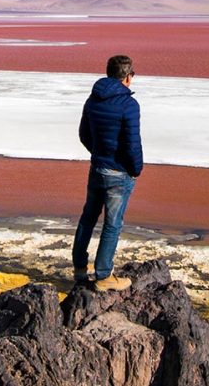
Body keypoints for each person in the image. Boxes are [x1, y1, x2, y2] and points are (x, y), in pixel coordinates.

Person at [72, 54, 143, 291]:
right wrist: (135, 170)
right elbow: (132, 143)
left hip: (97, 168)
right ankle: (103, 275)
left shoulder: (93, 99)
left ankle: (80, 269)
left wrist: (99, 154)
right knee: (112, 224)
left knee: (88, 218)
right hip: (118, 174)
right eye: (132, 75)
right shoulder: (128, 105)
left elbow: (84, 134)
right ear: (127, 77)